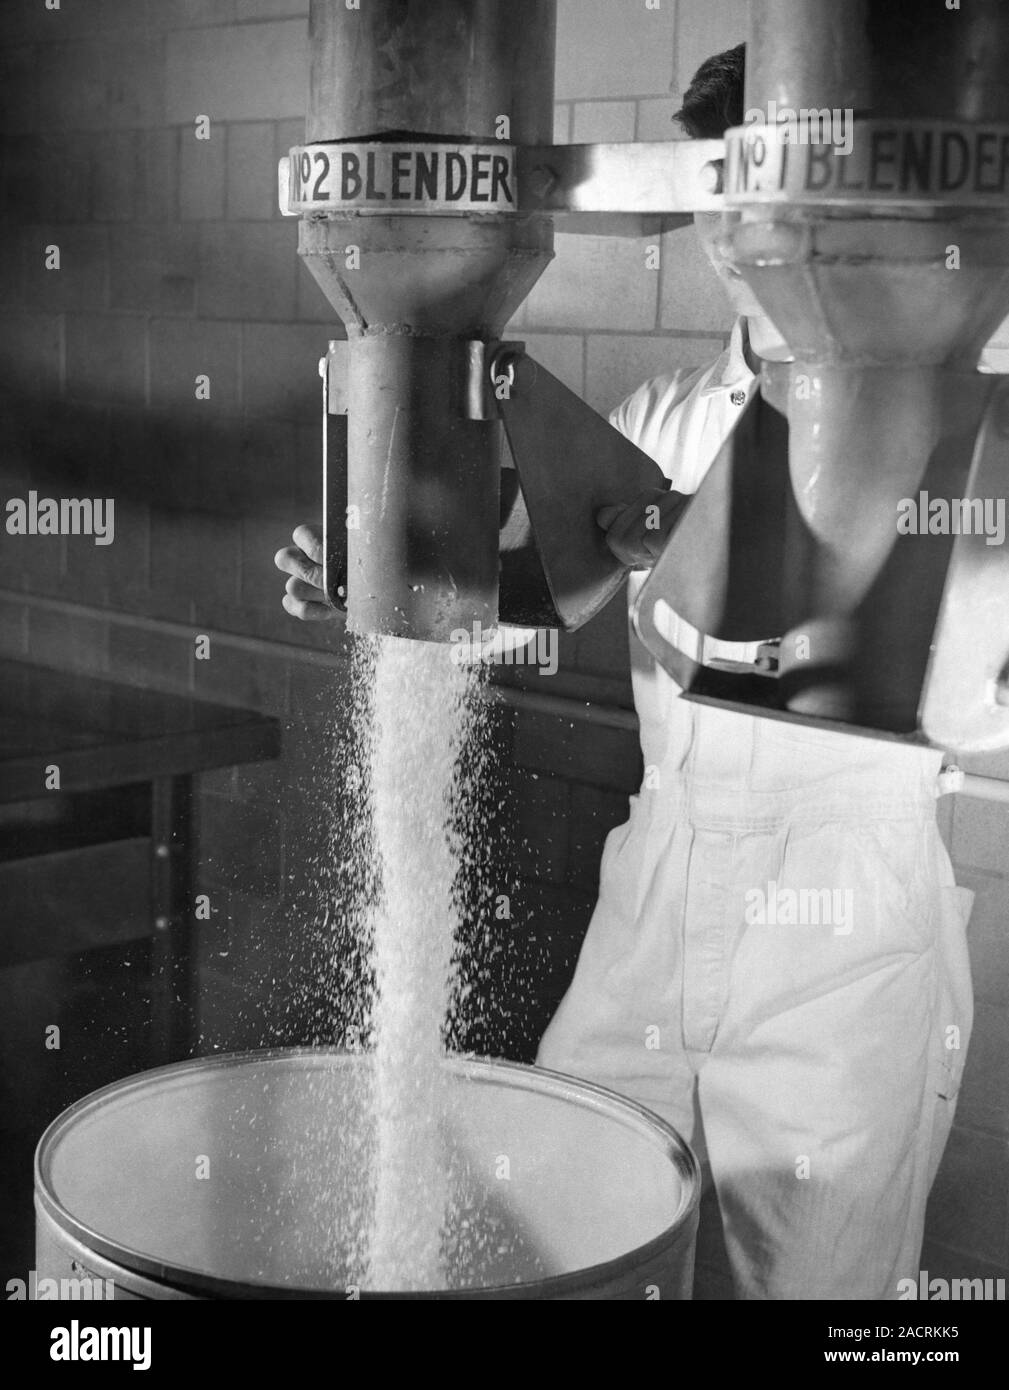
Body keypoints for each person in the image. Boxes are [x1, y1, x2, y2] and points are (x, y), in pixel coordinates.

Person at [275, 44, 974, 1300]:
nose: (737, 243)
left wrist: (747, 563)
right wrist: (392, 589)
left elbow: (975, 698)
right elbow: (543, 604)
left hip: (844, 917)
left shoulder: (952, 436)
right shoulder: (664, 415)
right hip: (656, 877)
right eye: (715, 203)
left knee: (818, 1282)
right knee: (567, 1227)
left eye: (765, 207)